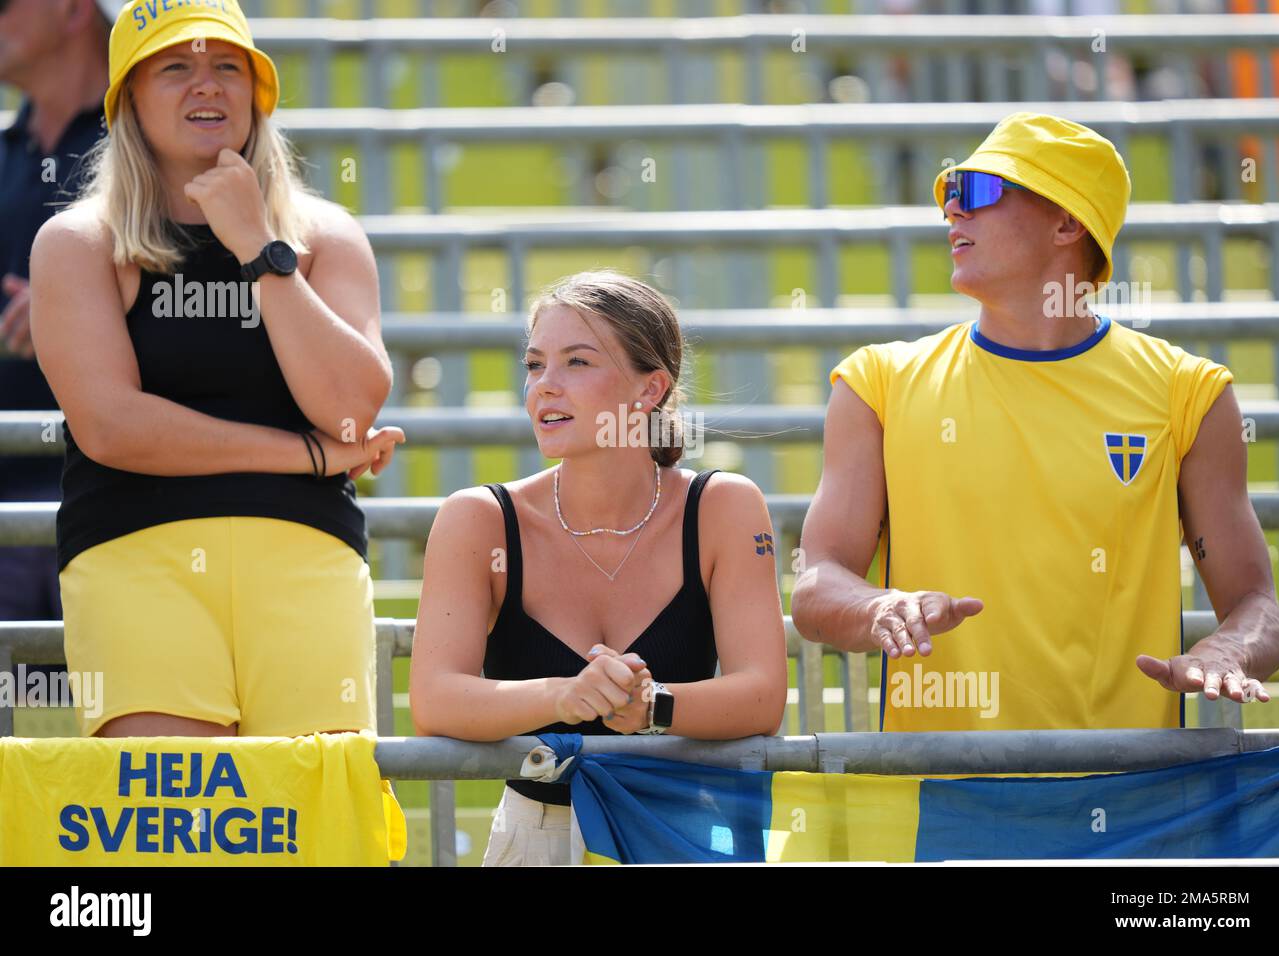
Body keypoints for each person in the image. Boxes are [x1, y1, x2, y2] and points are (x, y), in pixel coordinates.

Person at [791, 112, 1279, 733]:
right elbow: (814, 589)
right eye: (950, 194)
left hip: (1132, 805)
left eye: (975, 191)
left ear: (1066, 221)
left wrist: (1228, 649)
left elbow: (1255, 607)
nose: (952, 211)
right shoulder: (876, 386)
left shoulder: (1189, 393)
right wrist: (880, 607)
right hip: (938, 808)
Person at [28, 0, 405, 738]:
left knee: (312, 828)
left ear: (257, 94)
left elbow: (353, 410)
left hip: (306, 552)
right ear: (129, 98)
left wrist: (261, 248)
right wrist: (306, 455)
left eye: (227, 66)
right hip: (136, 555)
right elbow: (111, 427)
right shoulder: (76, 241)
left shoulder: (324, 236)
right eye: (176, 67)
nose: (207, 85)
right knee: (179, 829)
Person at [409, 270, 788, 866]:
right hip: (536, 838)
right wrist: (565, 696)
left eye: (577, 363)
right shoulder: (476, 518)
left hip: (684, 832)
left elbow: (762, 696)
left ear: (650, 389)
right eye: (534, 366)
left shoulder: (726, 506)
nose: (544, 387)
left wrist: (653, 706)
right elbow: (435, 699)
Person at [0, 0, 111, 646]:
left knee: (131, 739)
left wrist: (74, 309)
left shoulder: (153, 150)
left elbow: (221, 300)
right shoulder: (9, 152)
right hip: (10, 492)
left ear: (72, 9)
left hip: (119, 495)